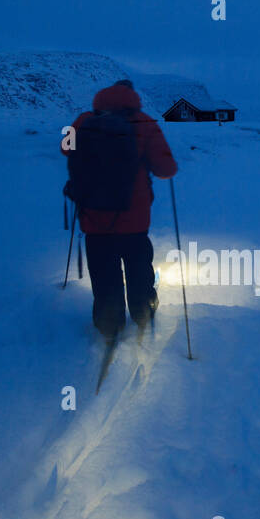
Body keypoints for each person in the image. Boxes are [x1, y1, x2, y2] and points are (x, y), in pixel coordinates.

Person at [62, 79, 178, 342]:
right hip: (134, 217)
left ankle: (108, 322)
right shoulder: (146, 123)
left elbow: (65, 148)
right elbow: (166, 170)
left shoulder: (82, 120)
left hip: (93, 216)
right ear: (132, 98)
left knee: (104, 273)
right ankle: (142, 313)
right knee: (138, 268)